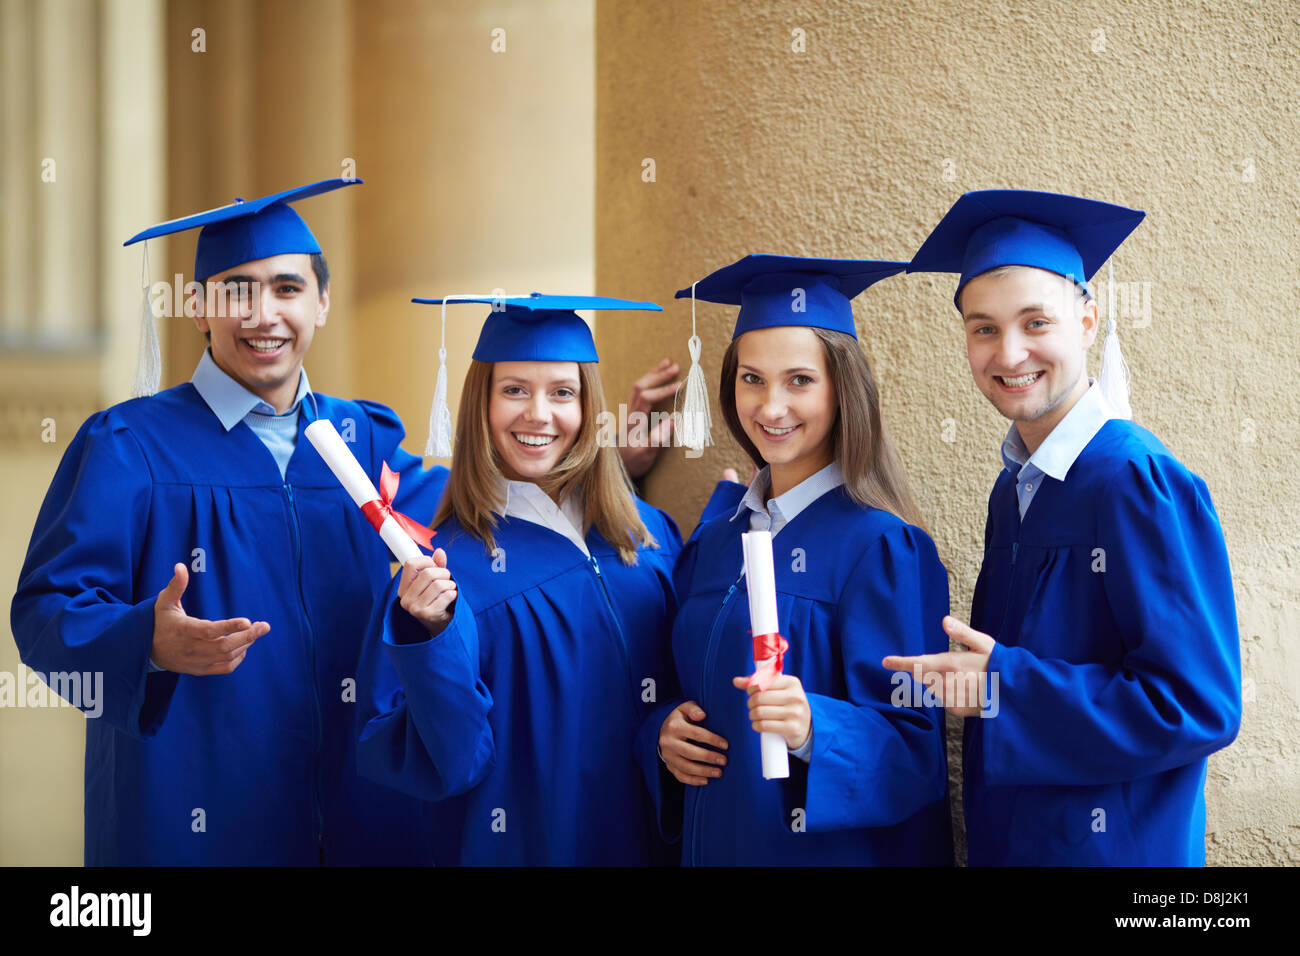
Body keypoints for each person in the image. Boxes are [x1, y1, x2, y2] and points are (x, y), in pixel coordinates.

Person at [10, 179, 448, 864]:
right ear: (197, 309)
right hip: (195, 805)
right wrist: (146, 642)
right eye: (236, 290)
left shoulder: (363, 439)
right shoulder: (129, 445)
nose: (263, 314)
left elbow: (472, 516)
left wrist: (597, 468)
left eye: (286, 288)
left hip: (355, 809)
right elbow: (45, 611)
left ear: (321, 303)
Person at [891, 189, 1241, 865]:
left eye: (1036, 322)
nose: (1009, 353)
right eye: (984, 329)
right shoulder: (1014, 489)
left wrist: (1003, 686)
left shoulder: (1134, 479)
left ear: (1086, 321)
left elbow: (1197, 705)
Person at [642, 255, 955, 865]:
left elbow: (916, 756)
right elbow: (675, 689)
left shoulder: (882, 548)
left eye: (800, 380)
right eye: (752, 379)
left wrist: (815, 729)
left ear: (843, 390)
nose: (771, 407)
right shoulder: (714, 543)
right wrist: (661, 734)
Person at [356, 293, 683, 865]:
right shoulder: (441, 577)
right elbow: (442, 763)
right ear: (481, 404)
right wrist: (429, 640)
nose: (538, 414)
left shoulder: (649, 535)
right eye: (514, 390)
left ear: (588, 406)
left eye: (562, 392)